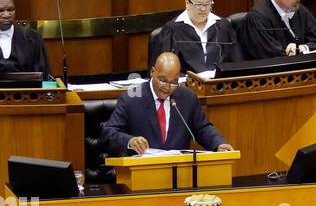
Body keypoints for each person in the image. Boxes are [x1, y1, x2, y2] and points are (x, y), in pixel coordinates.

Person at [98, 52, 234, 155]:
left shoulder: (187, 97)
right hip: (143, 172)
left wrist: (218, 144)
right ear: (152, 72)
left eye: (174, 82)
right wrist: (130, 141)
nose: (167, 87)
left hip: (180, 171)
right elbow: (108, 134)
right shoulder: (131, 98)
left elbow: (202, 128)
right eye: (163, 80)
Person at [154, 0, 240, 74]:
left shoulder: (223, 26)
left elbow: (236, 63)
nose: (203, 9)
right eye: (198, 4)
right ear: (187, 3)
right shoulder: (172, 30)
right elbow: (165, 71)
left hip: (219, 84)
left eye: (207, 4)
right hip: (187, 85)